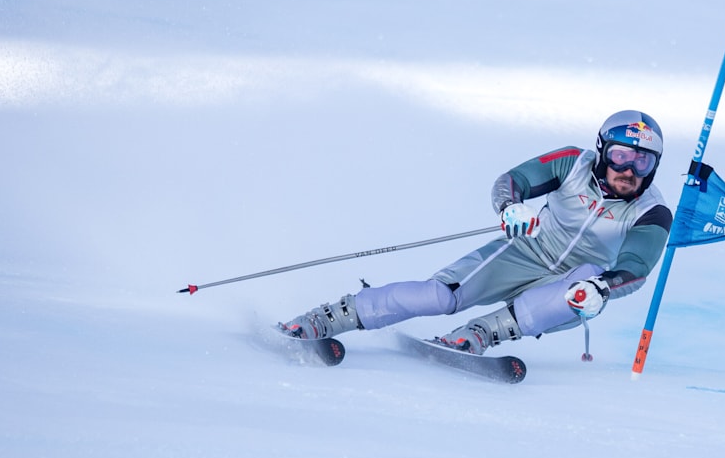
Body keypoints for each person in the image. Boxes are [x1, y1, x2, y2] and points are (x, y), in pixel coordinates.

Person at [279, 110, 672, 355]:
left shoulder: (651, 210)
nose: (629, 170)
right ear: (603, 151)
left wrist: (605, 287)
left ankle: (479, 335)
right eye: (621, 155)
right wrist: (511, 207)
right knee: (439, 296)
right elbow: (514, 179)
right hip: (527, 250)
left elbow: (637, 266)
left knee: (585, 290)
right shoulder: (573, 163)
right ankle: (330, 317)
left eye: (642, 160)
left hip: (575, 279)